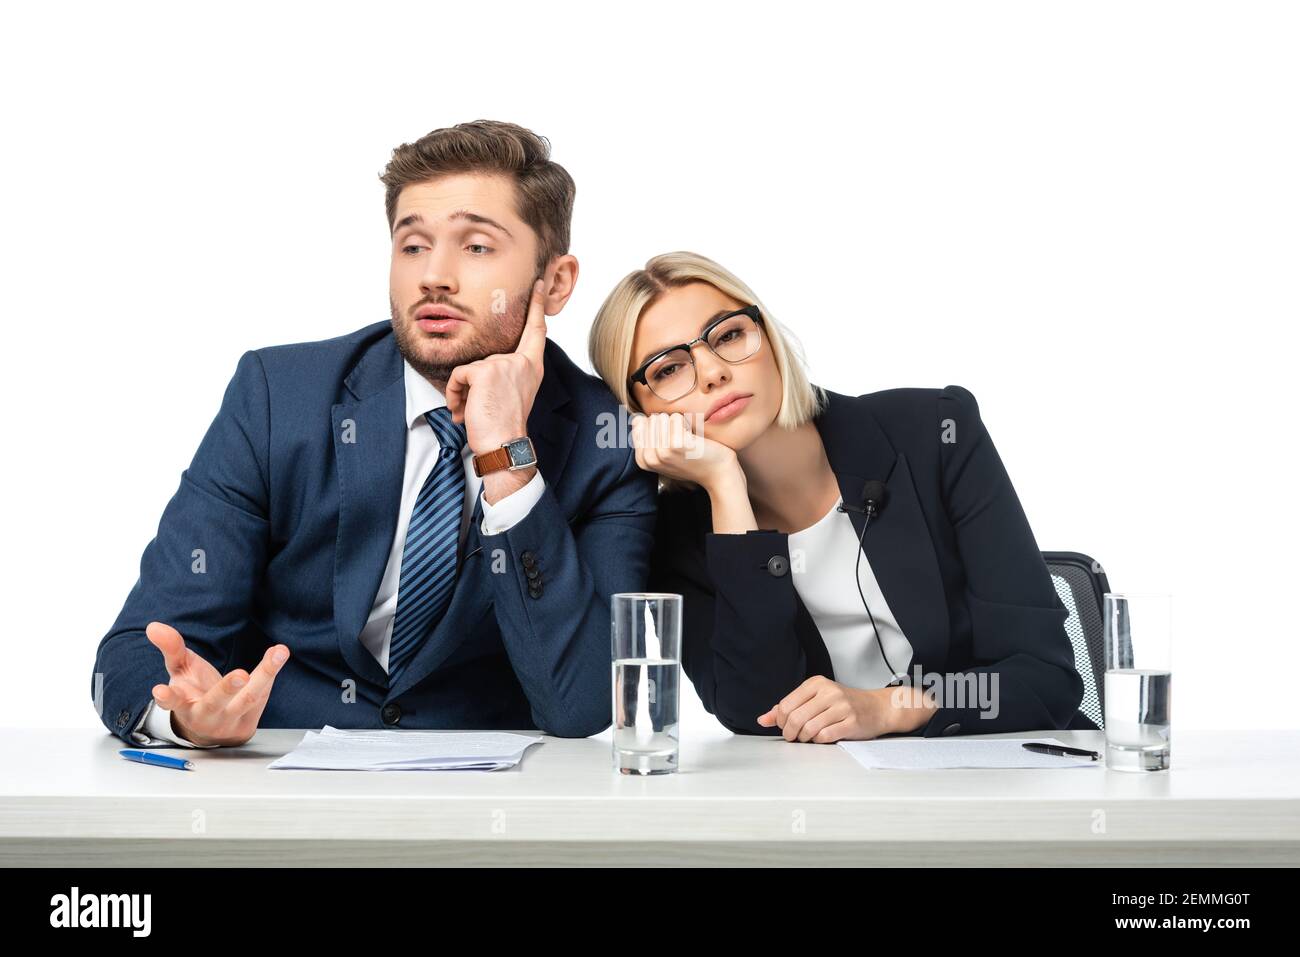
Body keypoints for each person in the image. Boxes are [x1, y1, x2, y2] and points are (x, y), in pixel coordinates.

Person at [92, 120, 657, 748]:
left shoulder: (608, 441)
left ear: (555, 283)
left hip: (493, 815)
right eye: (413, 245)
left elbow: (581, 705)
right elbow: (136, 649)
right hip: (280, 793)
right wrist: (181, 714)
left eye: (475, 248)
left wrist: (506, 456)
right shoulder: (280, 396)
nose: (433, 277)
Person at [587, 251, 1085, 743]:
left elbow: (1046, 676)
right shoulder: (671, 534)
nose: (714, 372)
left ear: (767, 335)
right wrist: (724, 484)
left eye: (729, 335)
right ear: (640, 414)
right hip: (826, 802)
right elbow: (755, 709)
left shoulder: (933, 432)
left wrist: (891, 707)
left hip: (1002, 784)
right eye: (668, 369)